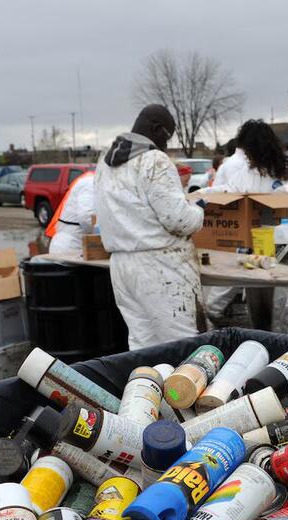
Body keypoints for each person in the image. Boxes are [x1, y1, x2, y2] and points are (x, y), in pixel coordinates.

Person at [94, 104, 205, 350]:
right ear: (156, 129)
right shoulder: (154, 161)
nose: (166, 145)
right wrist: (199, 211)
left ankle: (146, 388)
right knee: (182, 347)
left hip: (121, 266)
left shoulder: (105, 161)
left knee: (142, 346)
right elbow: (178, 220)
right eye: (167, 136)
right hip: (159, 266)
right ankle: (182, 390)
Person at [206, 119, 288, 334]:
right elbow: (230, 192)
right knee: (258, 311)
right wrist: (207, 195)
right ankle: (262, 341)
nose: (248, 158)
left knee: (285, 309)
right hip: (256, 250)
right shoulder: (247, 173)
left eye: (250, 152)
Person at [44, 169, 95, 254]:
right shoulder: (90, 184)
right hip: (70, 248)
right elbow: (87, 218)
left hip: (73, 245)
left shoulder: (93, 182)